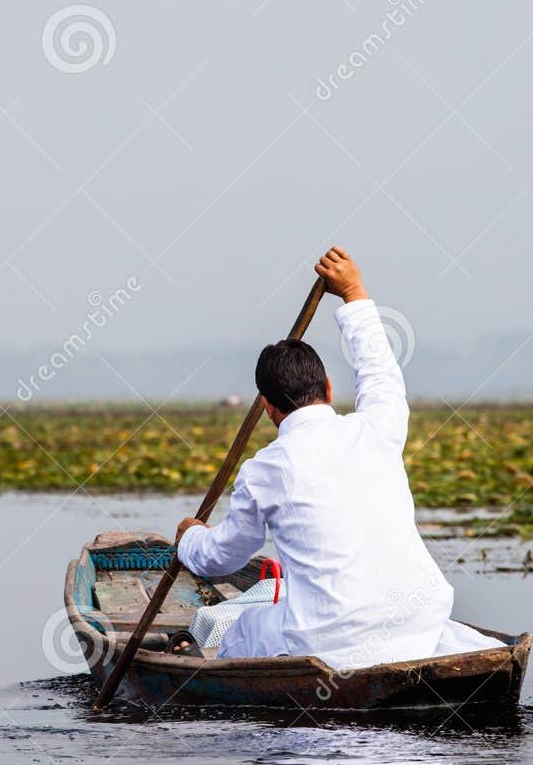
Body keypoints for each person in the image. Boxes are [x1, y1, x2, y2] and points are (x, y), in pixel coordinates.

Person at [174, 246, 494, 668]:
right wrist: (353, 293)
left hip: (329, 639)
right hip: (417, 619)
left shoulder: (264, 470)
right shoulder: (377, 428)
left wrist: (189, 538)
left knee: (242, 631)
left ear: (269, 408)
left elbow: (224, 556)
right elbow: (378, 370)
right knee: (448, 638)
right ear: (328, 388)